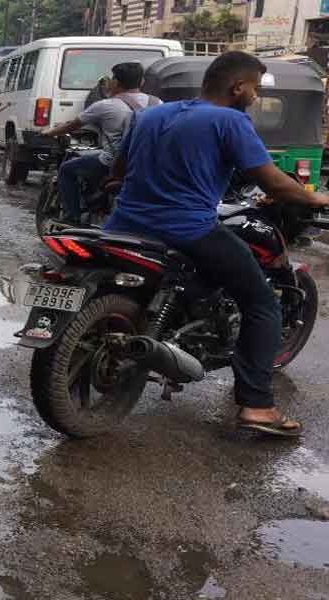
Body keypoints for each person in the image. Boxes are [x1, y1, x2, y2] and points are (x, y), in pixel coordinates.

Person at [106, 51, 329, 437]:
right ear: (238, 86)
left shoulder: (152, 114)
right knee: (261, 304)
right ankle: (258, 407)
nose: (256, 96)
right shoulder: (231, 120)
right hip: (186, 229)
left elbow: (118, 172)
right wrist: (317, 199)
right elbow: (273, 182)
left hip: (122, 225)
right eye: (256, 88)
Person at [42, 62, 160, 224]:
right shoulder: (158, 103)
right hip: (149, 163)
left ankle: (71, 218)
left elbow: (72, 125)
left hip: (114, 162)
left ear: (116, 82)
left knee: (66, 170)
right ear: (141, 82)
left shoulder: (106, 105)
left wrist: (49, 132)